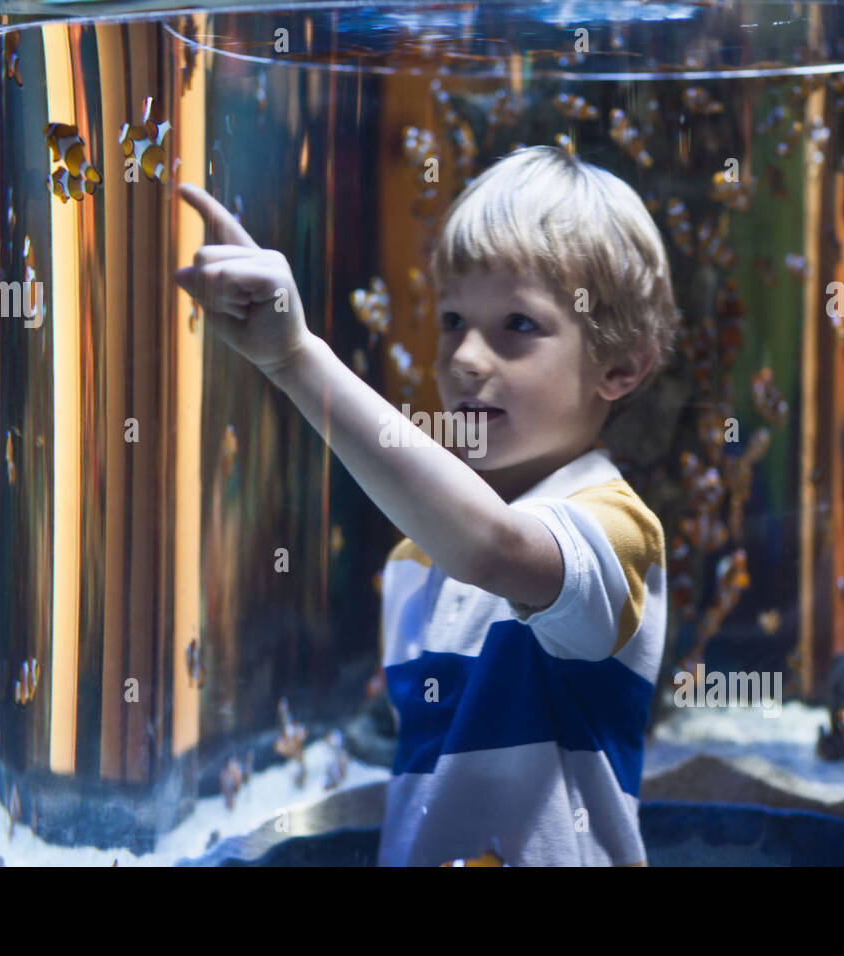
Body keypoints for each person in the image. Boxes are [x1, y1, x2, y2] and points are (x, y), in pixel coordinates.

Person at [175, 145, 678, 866]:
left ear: (622, 364)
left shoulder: (615, 530)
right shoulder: (414, 560)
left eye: (518, 326)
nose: (466, 358)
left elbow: (495, 549)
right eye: (451, 320)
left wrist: (295, 360)